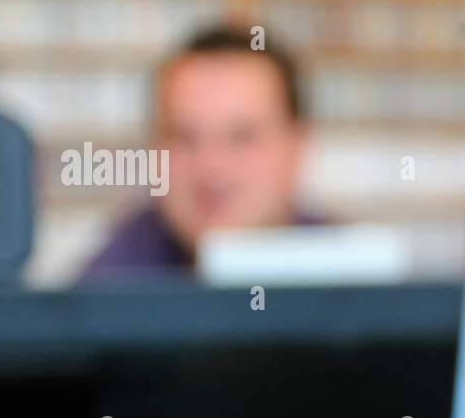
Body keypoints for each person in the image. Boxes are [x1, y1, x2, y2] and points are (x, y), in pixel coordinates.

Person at [81, 26, 316, 280]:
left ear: (296, 147)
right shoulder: (110, 283)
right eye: (183, 137)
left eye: (241, 136)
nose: (211, 165)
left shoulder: (351, 280)